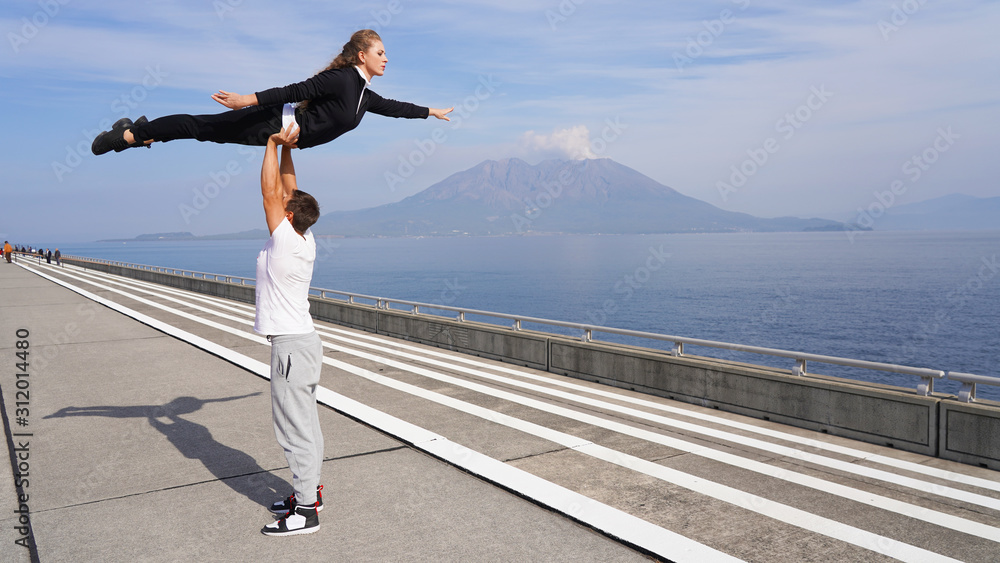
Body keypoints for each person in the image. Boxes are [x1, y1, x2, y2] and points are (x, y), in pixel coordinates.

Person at [92, 29, 452, 155]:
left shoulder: (362, 93)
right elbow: (296, 89)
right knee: (202, 129)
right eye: (380, 53)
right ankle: (128, 135)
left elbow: (393, 107)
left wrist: (430, 112)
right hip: (270, 122)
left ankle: (143, 133)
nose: (387, 59)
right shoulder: (343, 79)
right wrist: (246, 99)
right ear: (362, 55)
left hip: (279, 135)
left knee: (204, 131)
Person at [254, 123, 325, 537]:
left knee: (293, 428)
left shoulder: (284, 238)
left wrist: (270, 142)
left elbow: (269, 194)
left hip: (292, 349)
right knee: (308, 424)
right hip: (305, 343)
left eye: (286, 205)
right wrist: (288, 150)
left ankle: (306, 513)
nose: (281, 202)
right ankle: (309, 491)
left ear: (290, 215)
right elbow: (288, 188)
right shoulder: (305, 236)